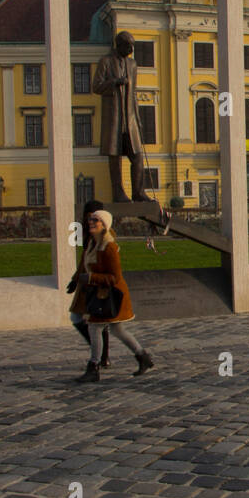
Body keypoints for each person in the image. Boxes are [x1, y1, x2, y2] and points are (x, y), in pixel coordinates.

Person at [74, 208, 155, 382]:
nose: (91, 223)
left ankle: (94, 367)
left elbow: (114, 277)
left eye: (95, 220)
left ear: (104, 225)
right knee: (117, 329)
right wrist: (78, 279)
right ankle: (144, 358)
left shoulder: (109, 247)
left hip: (112, 296)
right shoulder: (92, 243)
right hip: (100, 293)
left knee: (95, 328)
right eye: (90, 220)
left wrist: (91, 277)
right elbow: (85, 265)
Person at [92, 31, 148, 203]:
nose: (131, 49)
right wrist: (114, 82)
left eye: (132, 45)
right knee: (115, 158)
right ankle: (118, 193)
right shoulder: (106, 62)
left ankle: (138, 192)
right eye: (128, 45)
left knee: (137, 156)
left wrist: (137, 118)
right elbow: (96, 86)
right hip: (114, 119)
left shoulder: (132, 64)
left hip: (129, 120)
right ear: (119, 45)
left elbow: (134, 94)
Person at [67, 199, 111, 367]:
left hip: (98, 283)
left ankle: (102, 357)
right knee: (77, 317)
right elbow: (83, 260)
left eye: (93, 216)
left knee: (101, 323)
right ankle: (98, 352)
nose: (89, 220)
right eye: (87, 217)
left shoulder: (105, 235)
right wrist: (75, 279)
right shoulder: (87, 233)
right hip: (86, 281)